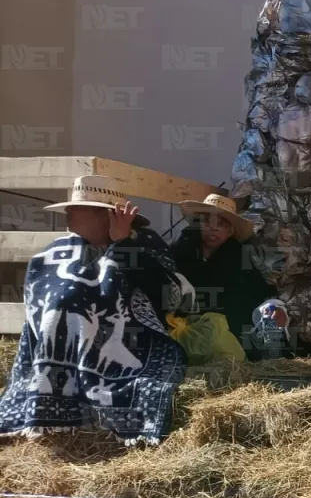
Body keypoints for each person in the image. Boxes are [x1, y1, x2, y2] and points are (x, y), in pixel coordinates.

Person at [0, 176, 186, 446]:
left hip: (126, 340)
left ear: (105, 215)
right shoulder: (58, 250)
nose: (68, 212)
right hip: (61, 344)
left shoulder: (144, 243)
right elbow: (41, 290)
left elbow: (167, 295)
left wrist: (122, 246)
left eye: (78, 207)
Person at [168, 194, 292, 364]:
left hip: (233, 331)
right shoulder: (179, 251)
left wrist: (275, 309)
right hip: (189, 330)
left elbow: (258, 292)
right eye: (207, 222)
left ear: (230, 230)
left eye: (221, 224)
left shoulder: (239, 259)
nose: (213, 229)